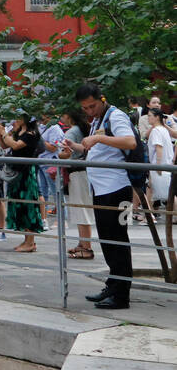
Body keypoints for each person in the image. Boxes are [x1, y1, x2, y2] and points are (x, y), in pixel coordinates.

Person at [58, 83, 136, 309]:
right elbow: (97, 151)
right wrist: (75, 145)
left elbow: (129, 142)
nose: (89, 111)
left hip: (117, 188)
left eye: (92, 106)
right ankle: (113, 286)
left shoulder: (116, 116)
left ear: (102, 99)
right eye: (85, 108)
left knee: (118, 241)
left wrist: (99, 139)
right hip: (102, 189)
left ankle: (121, 295)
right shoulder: (99, 121)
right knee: (108, 241)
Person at [0, 114, 44, 253]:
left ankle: (30, 241)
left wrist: (4, 134)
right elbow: (5, 145)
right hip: (16, 173)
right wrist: (0, 134)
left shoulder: (31, 134)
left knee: (27, 205)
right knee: (19, 206)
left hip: (26, 174)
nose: (16, 119)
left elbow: (16, 146)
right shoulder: (18, 131)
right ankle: (27, 240)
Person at [58, 108, 95, 260]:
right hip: (84, 172)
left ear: (68, 115)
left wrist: (62, 155)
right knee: (82, 208)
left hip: (78, 172)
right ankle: (83, 243)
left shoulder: (71, 132)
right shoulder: (84, 128)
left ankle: (86, 247)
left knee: (81, 209)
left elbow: (64, 154)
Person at [147, 105, 174, 210]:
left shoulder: (156, 131)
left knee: (168, 195)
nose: (148, 118)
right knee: (150, 188)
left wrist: (158, 166)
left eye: (150, 116)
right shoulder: (163, 129)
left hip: (159, 166)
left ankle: (149, 215)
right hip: (165, 164)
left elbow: (159, 148)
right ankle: (149, 214)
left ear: (157, 117)